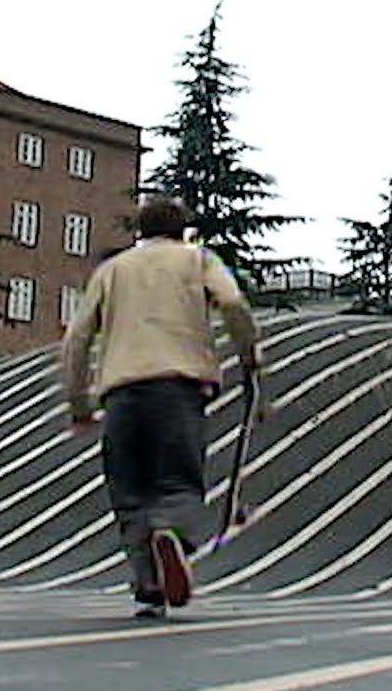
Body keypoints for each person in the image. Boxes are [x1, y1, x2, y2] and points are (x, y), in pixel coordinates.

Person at [62, 195, 261, 619]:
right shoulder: (198, 261)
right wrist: (248, 359)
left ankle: (149, 585)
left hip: (122, 392)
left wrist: (78, 403)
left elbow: (77, 338)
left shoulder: (112, 270)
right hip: (180, 388)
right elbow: (233, 304)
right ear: (182, 229)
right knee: (179, 481)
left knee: (130, 493)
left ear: (140, 230)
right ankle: (172, 534)